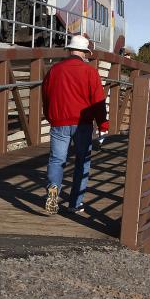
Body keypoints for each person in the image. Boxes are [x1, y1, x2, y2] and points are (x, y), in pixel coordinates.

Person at [41, 32, 108, 215]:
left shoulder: (54, 70)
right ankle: (75, 204)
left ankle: (53, 188)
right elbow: (98, 101)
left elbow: (46, 96)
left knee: (57, 160)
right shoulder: (90, 72)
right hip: (83, 125)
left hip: (59, 123)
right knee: (82, 162)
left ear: (69, 50)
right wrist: (103, 125)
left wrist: (50, 116)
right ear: (85, 53)